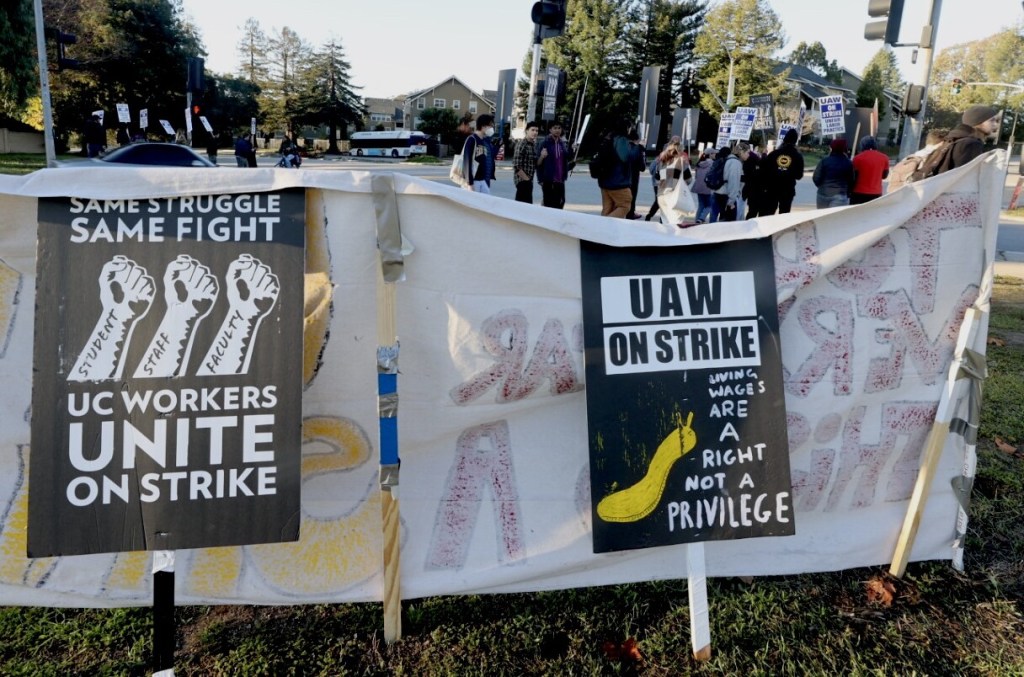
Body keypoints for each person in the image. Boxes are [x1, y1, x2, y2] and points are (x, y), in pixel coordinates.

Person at [933, 104, 1001, 175]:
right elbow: (967, 177)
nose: (995, 124)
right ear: (978, 122)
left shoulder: (953, 138)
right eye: (992, 121)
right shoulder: (971, 144)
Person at [758, 128, 804, 215]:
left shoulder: (774, 154)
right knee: (784, 216)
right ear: (795, 141)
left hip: (772, 188)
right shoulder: (798, 156)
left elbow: (764, 169)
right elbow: (799, 175)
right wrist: (788, 172)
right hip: (787, 189)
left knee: (768, 214)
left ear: (785, 139)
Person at [596, 119, 633, 218]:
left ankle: (604, 231)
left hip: (604, 180)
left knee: (608, 209)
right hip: (618, 182)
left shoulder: (607, 137)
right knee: (624, 206)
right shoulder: (621, 139)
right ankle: (603, 225)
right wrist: (635, 148)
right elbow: (624, 157)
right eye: (630, 127)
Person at [536, 120, 572, 209]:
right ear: (550, 130)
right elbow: (538, 163)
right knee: (549, 204)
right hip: (548, 180)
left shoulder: (562, 143)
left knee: (561, 202)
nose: (557, 130)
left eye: (559, 128)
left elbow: (566, 158)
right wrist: (540, 179)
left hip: (560, 179)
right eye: (555, 128)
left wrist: (572, 149)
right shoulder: (544, 143)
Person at [812, 138, 854, 208]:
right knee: (835, 218)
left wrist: (821, 186)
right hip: (840, 194)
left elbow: (816, 178)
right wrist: (848, 192)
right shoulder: (848, 163)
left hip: (823, 193)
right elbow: (851, 180)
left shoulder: (824, 161)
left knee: (822, 217)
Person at [462, 113, 497, 193]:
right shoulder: (472, 139)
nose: (492, 128)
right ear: (483, 126)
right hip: (473, 181)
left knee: (485, 203)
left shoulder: (483, 140)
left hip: (482, 180)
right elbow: (467, 162)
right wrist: (470, 183)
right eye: (490, 126)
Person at [850, 136, 889, 204]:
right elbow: (884, 176)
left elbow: (854, 177)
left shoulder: (857, 158)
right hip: (876, 192)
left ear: (862, 145)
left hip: (859, 192)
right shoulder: (884, 158)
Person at [713, 145, 744, 222]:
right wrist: (731, 201)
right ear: (741, 152)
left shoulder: (726, 159)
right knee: (729, 223)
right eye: (747, 152)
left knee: (719, 218)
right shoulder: (735, 162)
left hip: (718, 192)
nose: (749, 155)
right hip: (727, 195)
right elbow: (734, 182)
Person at [512, 121, 540, 203]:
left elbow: (536, 163)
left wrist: (542, 156)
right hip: (522, 181)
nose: (535, 132)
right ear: (527, 131)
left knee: (527, 207)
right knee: (521, 208)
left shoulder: (533, 145)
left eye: (536, 131)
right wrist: (527, 180)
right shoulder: (521, 144)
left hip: (529, 181)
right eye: (532, 130)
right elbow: (516, 166)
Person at [625, 129, 647, 219]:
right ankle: (630, 212)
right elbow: (642, 167)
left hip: (621, 176)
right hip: (633, 176)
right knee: (632, 196)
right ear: (637, 139)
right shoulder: (638, 149)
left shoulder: (622, 147)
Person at [689, 151, 715, 224]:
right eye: (713, 153)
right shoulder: (712, 163)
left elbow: (696, 176)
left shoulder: (699, 164)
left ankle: (697, 221)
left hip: (698, 186)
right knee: (710, 205)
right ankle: (701, 218)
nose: (715, 154)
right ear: (710, 154)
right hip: (708, 187)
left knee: (701, 205)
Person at [740, 142, 763, 219]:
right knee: (751, 210)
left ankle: (747, 226)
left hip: (753, 189)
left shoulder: (752, 159)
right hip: (752, 189)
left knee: (752, 211)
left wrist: (740, 177)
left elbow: (751, 176)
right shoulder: (753, 158)